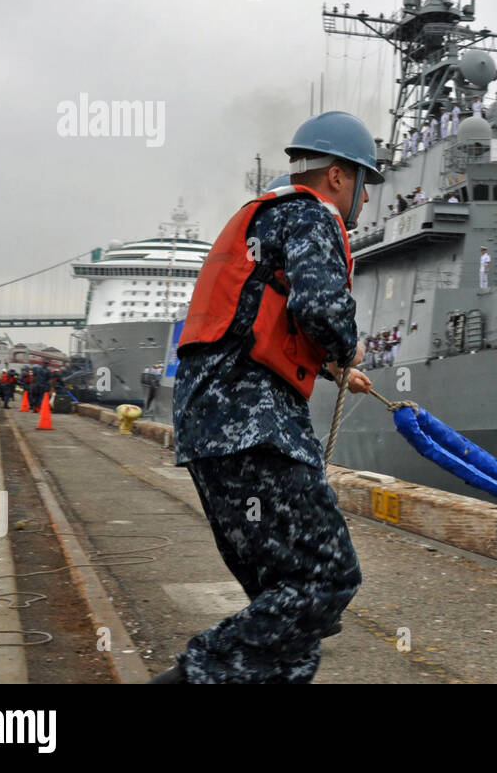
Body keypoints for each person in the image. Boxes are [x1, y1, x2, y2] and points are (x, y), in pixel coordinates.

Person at [154, 110, 380, 685]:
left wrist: (329, 367)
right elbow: (323, 308)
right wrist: (347, 350)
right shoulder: (313, 216)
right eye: (363, 182)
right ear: (336, 176)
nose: (365, 199)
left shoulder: (262, 220)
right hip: (256, 423)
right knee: (326, 580)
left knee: (289, 610)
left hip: (208, 424)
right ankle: (191, 677)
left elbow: (260, 317)